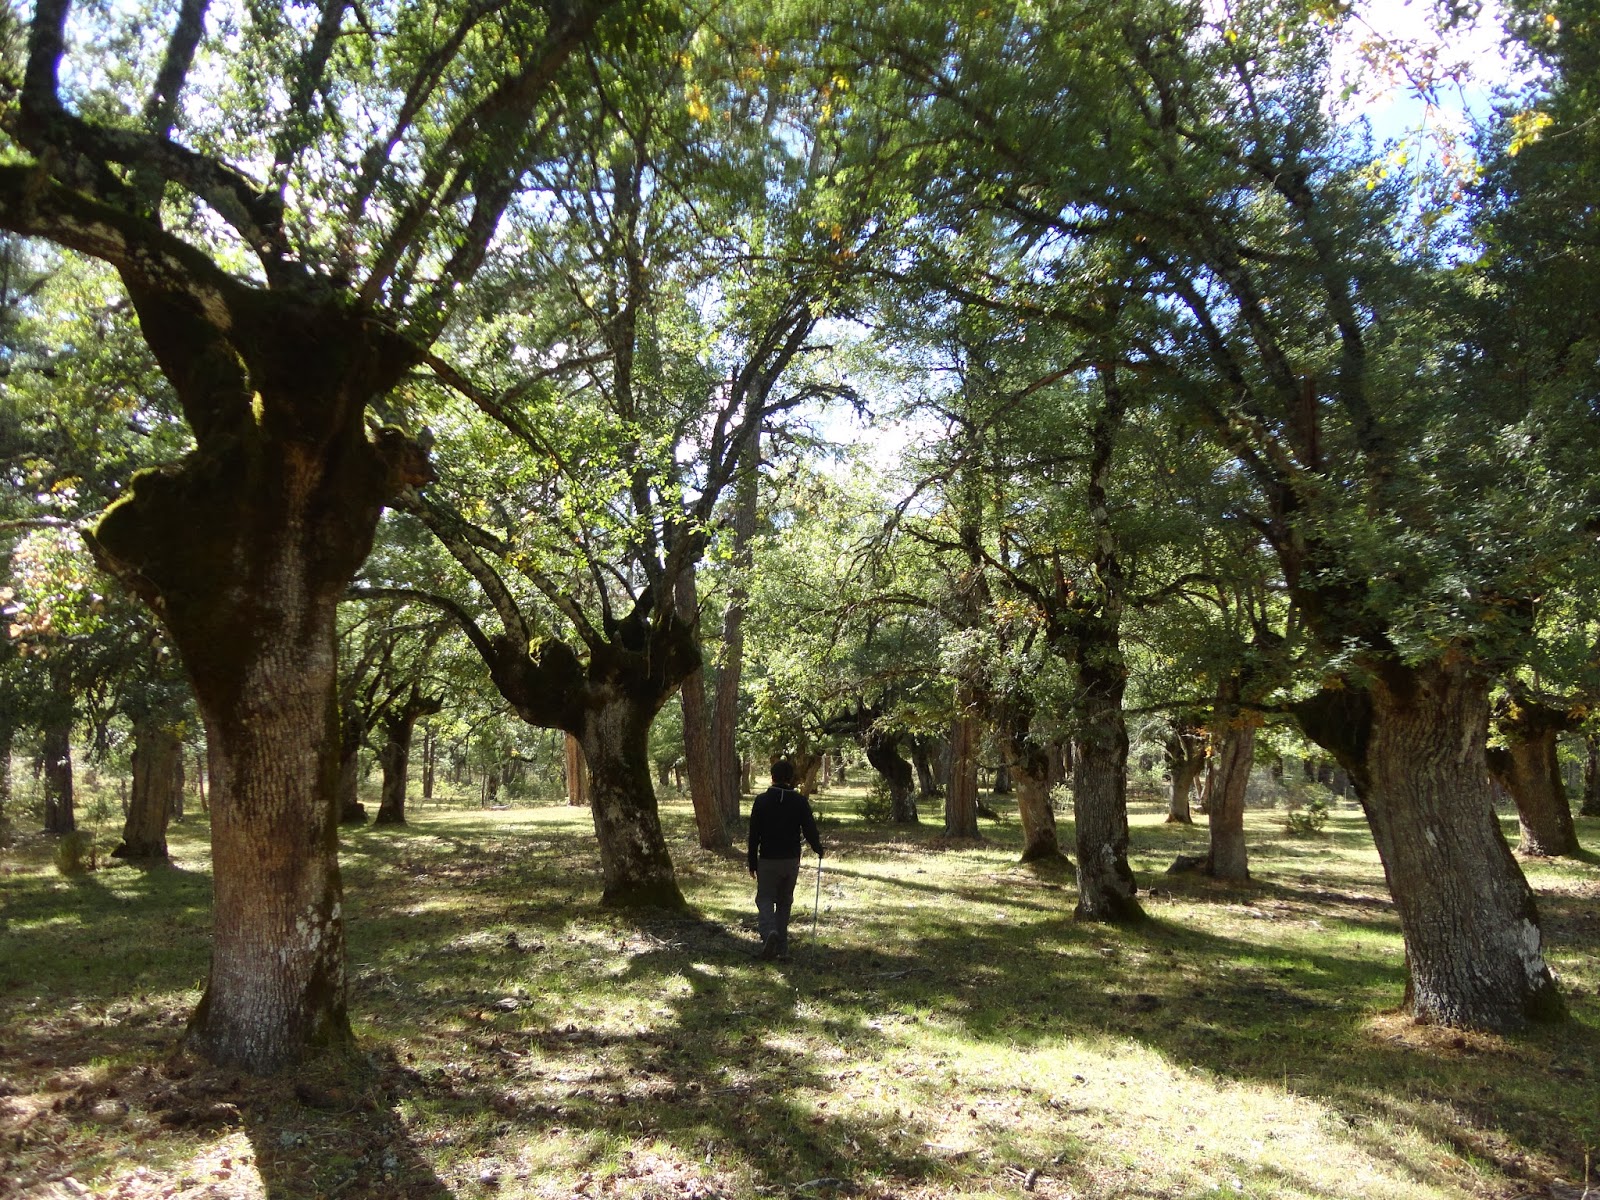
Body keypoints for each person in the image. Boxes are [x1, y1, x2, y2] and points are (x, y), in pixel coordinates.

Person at [747, 758, 824, 961]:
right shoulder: (799, 801)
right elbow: (809, 828)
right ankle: (781, 946)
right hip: (791, 860)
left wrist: (751, 862)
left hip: (768, 859)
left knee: (764, 898)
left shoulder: (761, 801)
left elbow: (753, 834)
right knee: (784, 902)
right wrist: (818, 848)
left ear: (772, 777)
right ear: (791, 779)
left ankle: (769, 932)